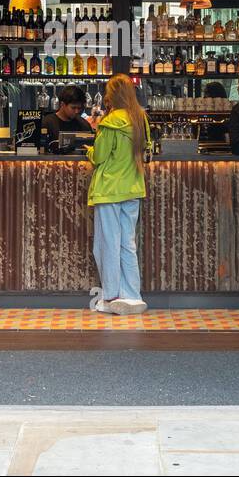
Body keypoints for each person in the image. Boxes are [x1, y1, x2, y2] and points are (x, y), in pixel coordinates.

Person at [87, 74, 152, 315]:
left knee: (107, 243)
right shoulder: (140, 119)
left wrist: (89, 153)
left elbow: (101, 156)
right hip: (133, 187)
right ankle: (133, 296)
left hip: (109, 189)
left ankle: (112, 296)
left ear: (111, 95)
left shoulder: (110, 121)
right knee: (128, 243)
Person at [40, 85, 94, 149]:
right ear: (62, 104)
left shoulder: (84, 124)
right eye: (73, 108)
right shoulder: (47, 123)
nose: (77, 111)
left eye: (79, 108)